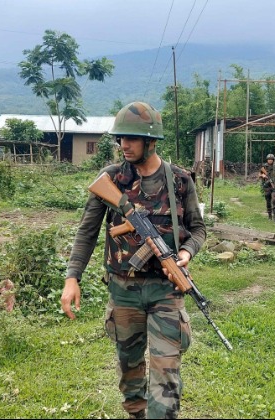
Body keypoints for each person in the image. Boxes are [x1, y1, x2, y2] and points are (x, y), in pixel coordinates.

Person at [61, 101, 206, 419]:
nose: (123, 144)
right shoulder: (110, 180)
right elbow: (87, 233)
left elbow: (198, 230)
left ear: (151, 141)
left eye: (131, 138)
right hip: (123, 292)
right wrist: (73, 277)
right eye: (120, 138)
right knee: (129, 369)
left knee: (166, 372)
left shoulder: (180, 181)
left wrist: (185, 253)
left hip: (166, 292)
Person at [258, 153, 275, 221]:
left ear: (273, 160)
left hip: (274, 186)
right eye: (269, 159)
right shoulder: (264, 167)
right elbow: (259, 174)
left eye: (271, 159)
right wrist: (263, 175)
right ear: (267, 160)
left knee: (274, 200)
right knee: (268, 201)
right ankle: (269, 215)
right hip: (267, 187)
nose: (270, 160)